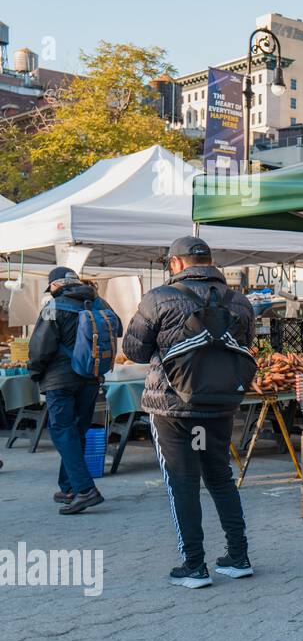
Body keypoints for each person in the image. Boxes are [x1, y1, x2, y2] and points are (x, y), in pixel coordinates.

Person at [123, 237, 256, 589]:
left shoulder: (158, 299)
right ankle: (238, 557)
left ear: (176, 264)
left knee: (182, 482)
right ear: (209, 261)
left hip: (172, 405)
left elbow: (134, 350)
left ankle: (194, 565)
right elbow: (246, 345)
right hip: (221, 402)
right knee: (219, 476)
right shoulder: (239, 300)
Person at [28, 266, 121, 514]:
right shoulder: (99, 302)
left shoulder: (52, 307)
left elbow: (40, 347)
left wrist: (34, 371)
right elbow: (118, 328)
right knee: (77, 431)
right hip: (90, 377)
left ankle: (85, 490)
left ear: (56, 285)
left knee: (61, 431)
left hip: (60, 380)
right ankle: (68, 486)